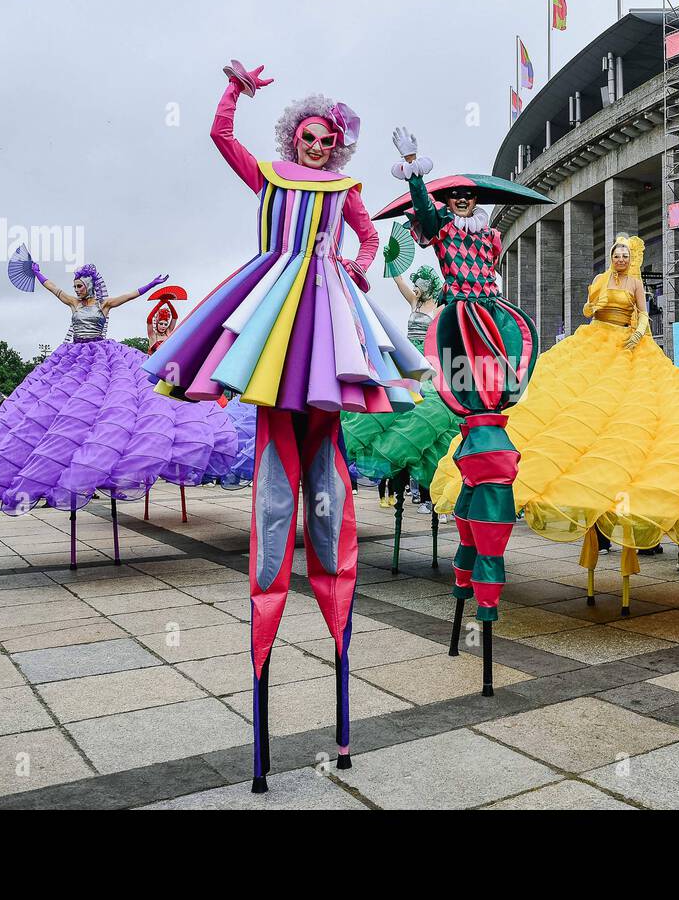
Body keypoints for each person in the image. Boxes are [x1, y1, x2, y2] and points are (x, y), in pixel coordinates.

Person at [141, 60, 428, 794]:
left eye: (326, 139)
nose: (315, 146)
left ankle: (335, 622)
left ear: (337, 145)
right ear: (293, 136)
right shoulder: (268, 176)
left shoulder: (346, 191)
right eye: (307, 135)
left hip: (327, 313)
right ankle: (266, 637)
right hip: (276, 313)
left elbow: (367, 239)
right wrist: (234, 91)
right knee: (275, 497)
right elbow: (218, 136)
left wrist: (360, 267)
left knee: (327, 483)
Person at [430, 234, 679, 608]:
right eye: (616, 254)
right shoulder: (601, 280)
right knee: (571, 416)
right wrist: (593, 302)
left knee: (635, 424)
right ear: (611, 258)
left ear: (629, 260)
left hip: (629, 347)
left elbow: (643, 315)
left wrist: (635, 336)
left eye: (624, 255)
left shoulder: (634, 283)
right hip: (593, 343)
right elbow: (587, 311)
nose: (619, 259)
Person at [382, 126, 547, 681]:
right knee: (465, 387)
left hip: (491, 314)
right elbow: (425, 223)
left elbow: (490, 266)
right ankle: (471, 570)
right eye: (456, 197)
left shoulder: (490, 237)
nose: (462, 202)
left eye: (467, 197)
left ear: (479, 201)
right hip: (459, 316)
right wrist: (416, 169)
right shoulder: (442, 227)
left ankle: (478, 566)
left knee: (500, 385)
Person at [0, 259, 236, 519]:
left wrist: (151, 285)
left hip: (101, 358)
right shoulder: (73, 303)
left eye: (80, 285)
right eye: (75, 286)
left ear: (90, 285)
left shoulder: (104, 305)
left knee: (116, 400)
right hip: (72, 359)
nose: (76, 290)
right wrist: (37, 273)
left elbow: (128, 296)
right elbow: (54, 290)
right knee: (60, 406)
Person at [342, 264, 459, 519]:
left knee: (425, 408)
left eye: (422, 282)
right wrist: (393, 264)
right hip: (406, 360)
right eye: (416, 282)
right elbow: (399, 283)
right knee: (391, 397)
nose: (418, 285)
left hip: (427, 361)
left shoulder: (439, 309)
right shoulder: (414, 303)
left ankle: (430, 492)